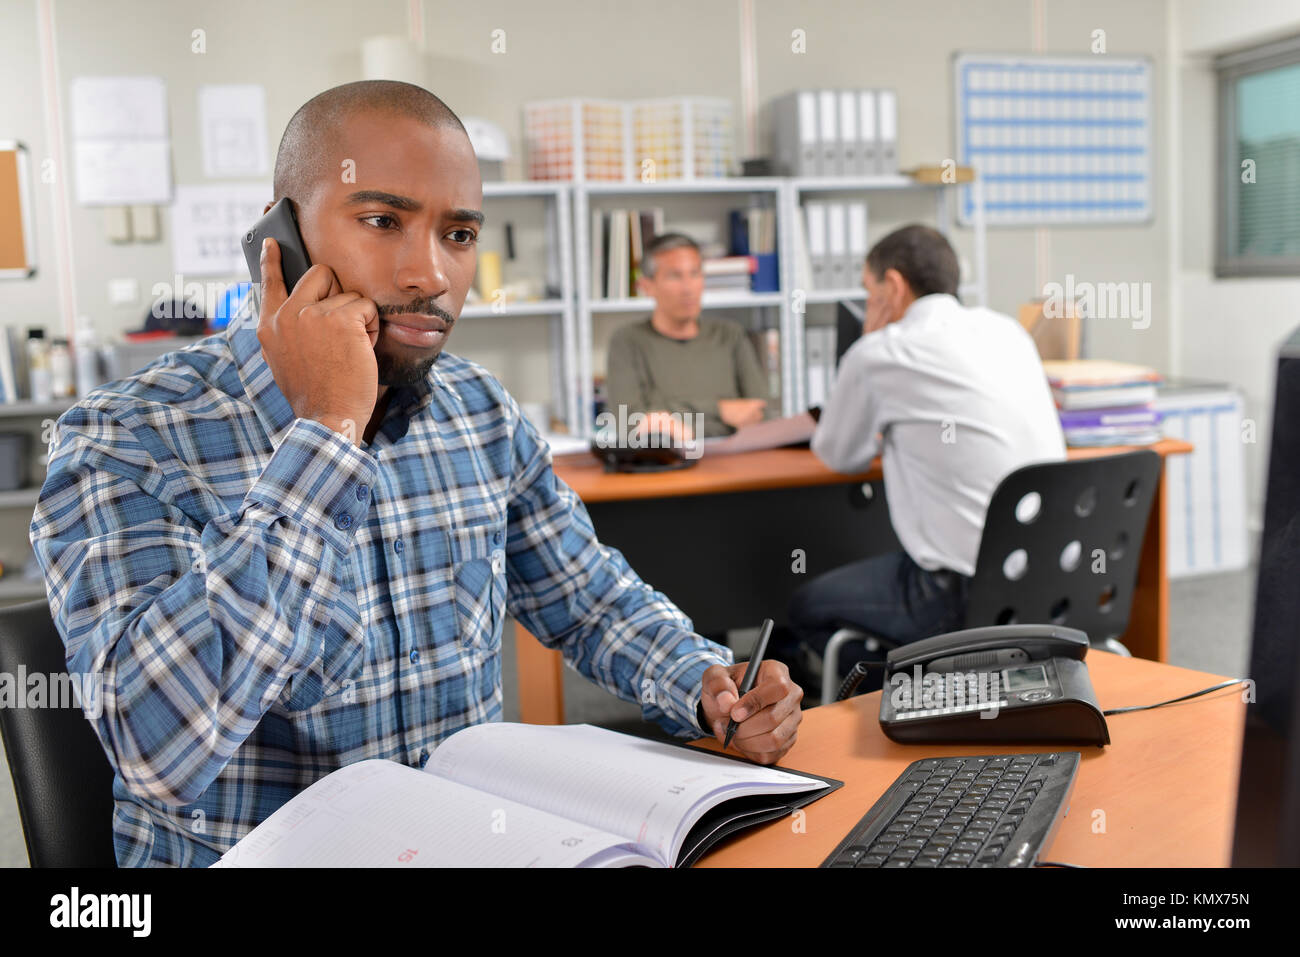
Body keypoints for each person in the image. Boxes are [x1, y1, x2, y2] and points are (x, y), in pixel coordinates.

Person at [28, 80, 802, 867]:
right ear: (278, 241)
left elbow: (589, 600)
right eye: (382, 220)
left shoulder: (479, 410)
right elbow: (157, 751)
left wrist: (705, 682)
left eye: (458, 234)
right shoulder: (128, 437)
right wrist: (326, 431)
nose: (429, 274)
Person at [780, 224, 1066, 693]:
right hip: (1053, 580)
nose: (867, 304)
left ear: (893, 286)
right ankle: (944, 685)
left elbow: (838, 454)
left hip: (961, 595)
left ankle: (917, 695)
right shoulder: (1009, 331)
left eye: (868, 292)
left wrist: (867, 345)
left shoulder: (879, 351)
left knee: (806, 608)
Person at [605, 233, 769, 439]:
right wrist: (722, 410)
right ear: (647, 286)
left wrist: (667, 417)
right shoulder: (627, 341)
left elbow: (760, 414)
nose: (688, 288)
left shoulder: (730, 335)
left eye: (695, 273)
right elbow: (629, 424)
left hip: (735, 456)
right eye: (674, 276)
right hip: (668, 458)